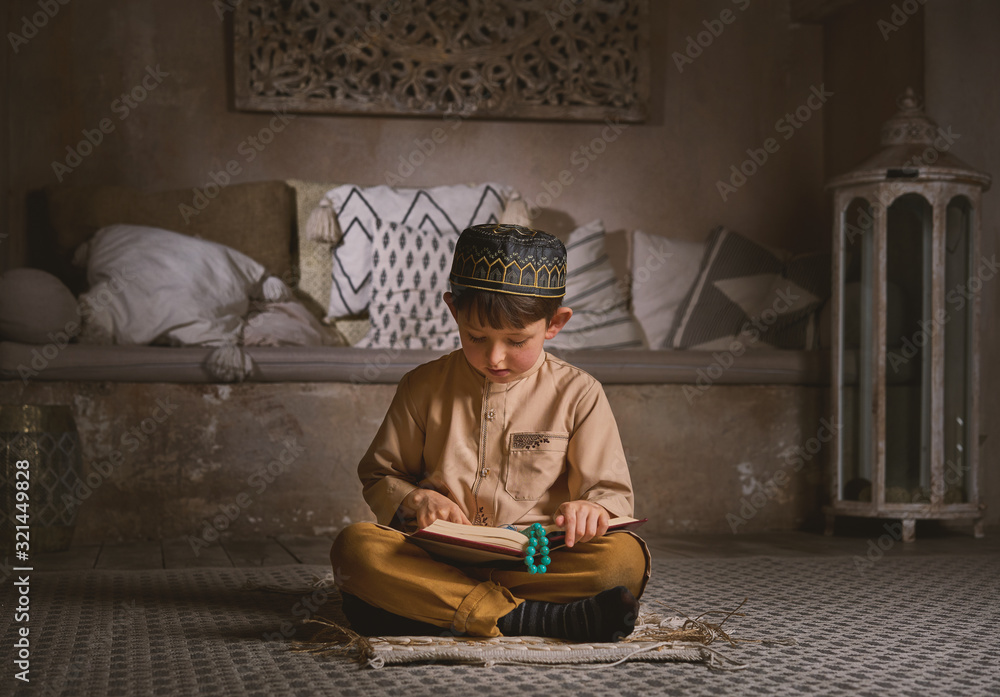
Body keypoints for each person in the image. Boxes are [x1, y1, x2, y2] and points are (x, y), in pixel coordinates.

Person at [330, 223, 650, 642]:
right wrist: (415, 497)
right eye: (475, 337)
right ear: (453, 311)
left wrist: (594, 510)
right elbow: (380, 475)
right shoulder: (422, 386)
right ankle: (533, 620)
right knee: (355, 549)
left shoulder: (580, 393)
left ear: (555, 322)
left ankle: (422, 608)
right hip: (437, 558)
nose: (494, 357)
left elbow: (610, 494)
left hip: (537, 563)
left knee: (623, 561)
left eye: (517, 340)